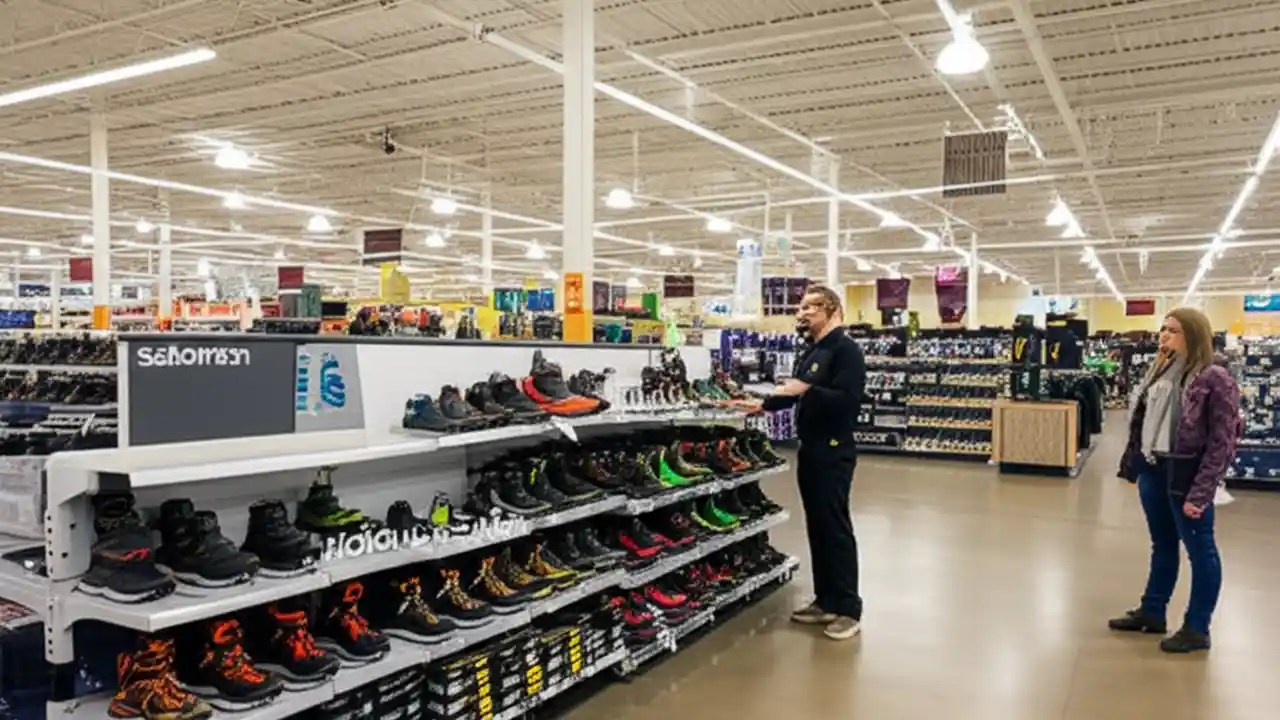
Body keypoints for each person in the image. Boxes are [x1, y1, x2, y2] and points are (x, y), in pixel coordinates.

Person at [740, 285, 866, 640]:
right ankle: (825, 600)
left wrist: (806, 391)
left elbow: (847, 401)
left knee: (836, 528)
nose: (802, 314)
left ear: (832, 309)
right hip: (810, 449)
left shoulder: (846, 351)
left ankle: (848, 608)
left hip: (834, 450)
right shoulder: (814, 351)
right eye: (800, 308)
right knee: (818, 526)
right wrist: (760, 405)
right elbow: (793, 392)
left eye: (810, 307)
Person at [1111, 307, 1239, 653]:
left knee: (1201, 551)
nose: (1163, 336)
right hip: (1155, 468)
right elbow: (1142, 421)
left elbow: (1222, 442)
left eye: (1172, 330)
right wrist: (1134, 465)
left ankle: (1197, 627)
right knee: (1163, 544)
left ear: (1193, 335)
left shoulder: (1215, 378)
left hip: (1186, 474)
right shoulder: (1161, 369)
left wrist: (1201, 492)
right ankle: (1153, 611)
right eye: (1162, 329)